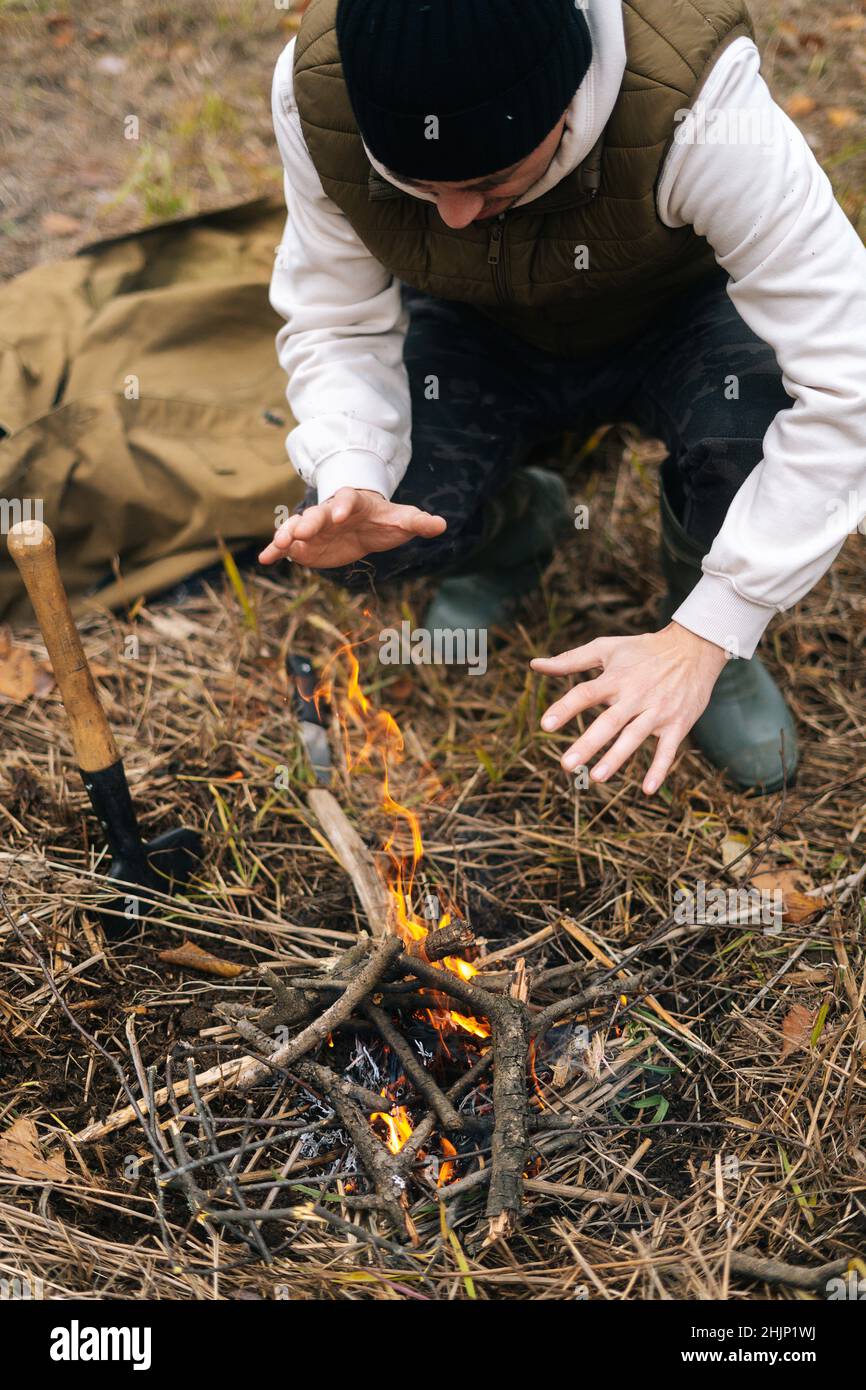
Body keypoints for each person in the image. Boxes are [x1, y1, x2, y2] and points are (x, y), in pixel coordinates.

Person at [260, 0, 866, 796]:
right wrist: (351, 467)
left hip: (676, 318)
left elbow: (848, 376)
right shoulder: (321, 95)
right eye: (415, 183)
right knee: (366, 528)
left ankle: (710, 662)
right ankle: (521, 529)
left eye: (489, 180)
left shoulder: (696, 98)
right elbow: (335, 315)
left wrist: (713, 626)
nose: (453, 215)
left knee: (747, 436)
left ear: (571, 95)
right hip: (477, 329)